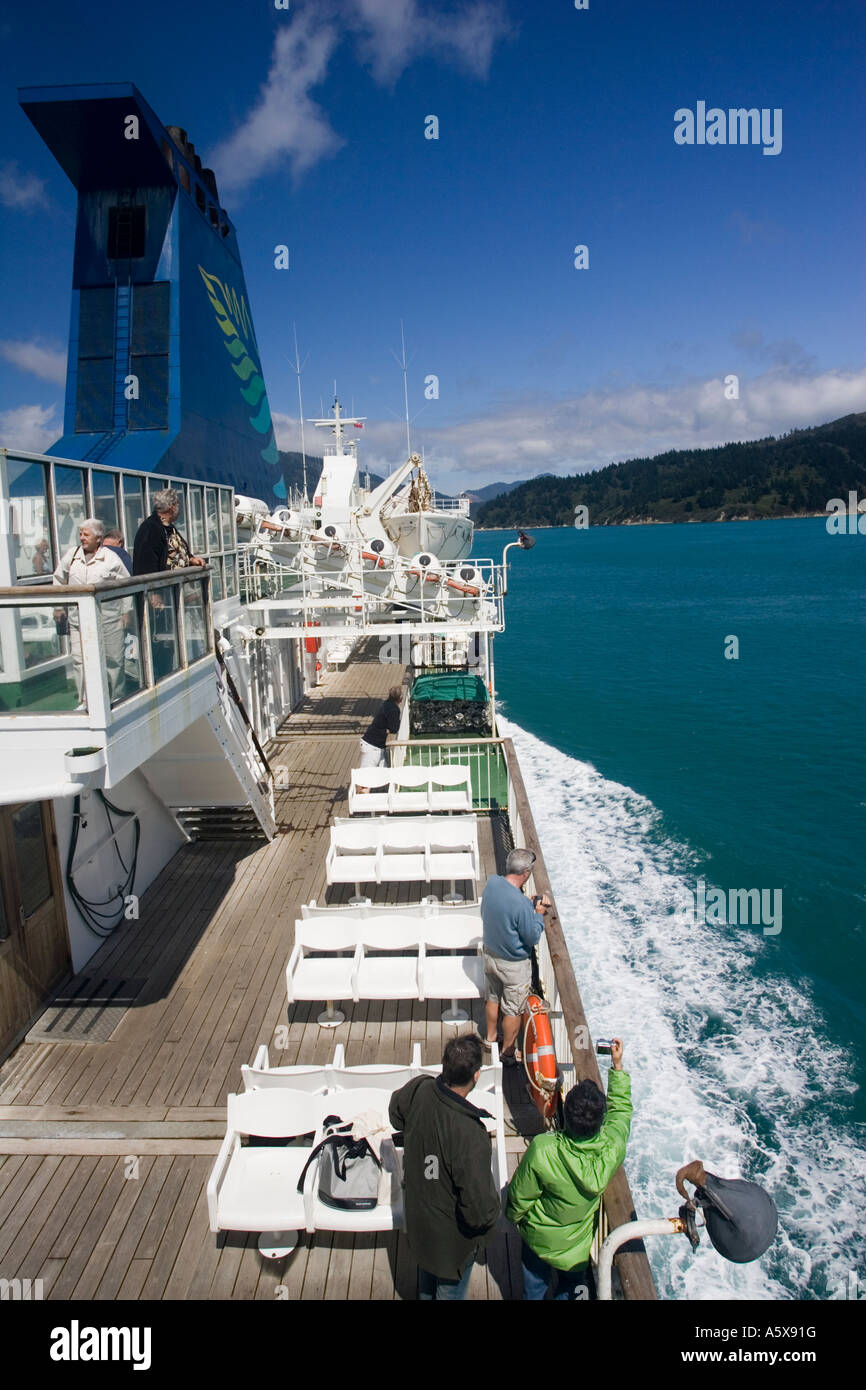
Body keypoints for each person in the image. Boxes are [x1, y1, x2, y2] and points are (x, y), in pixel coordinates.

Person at [506, 1038, 632, 1300]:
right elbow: (620, 1114)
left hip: (537, 1239)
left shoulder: (544, 1149)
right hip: (575, 1249)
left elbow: (518, 1198)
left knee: (534, 1289)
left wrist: (517, 1219)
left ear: (567, 1116)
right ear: (600, 1122)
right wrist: (617, 1066)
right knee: (569, 1290)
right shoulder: (611, 1149)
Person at [389, 1033, 501, 1300]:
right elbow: (480, 1211)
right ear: (476, 1076)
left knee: (426, 1283)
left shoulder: (419, 1089)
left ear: (444, 1066)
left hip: (418, 1222)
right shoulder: (472, 1134)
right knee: (447, 1292)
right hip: (451, 1245)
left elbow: (395, 1114)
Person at [480, 848, 551, 1064]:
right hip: (513, 965)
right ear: (526, 872)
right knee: (512, 1010)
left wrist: (527, 907)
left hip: (490, 955)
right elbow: (532, 937)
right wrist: (538, 914)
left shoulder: (492, 883)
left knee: (492, 998)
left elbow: (498, 910)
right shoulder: (520, 904)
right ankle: (508, 1053)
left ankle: (490, 1038)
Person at [53, 518, 130, 705]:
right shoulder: (72, 556)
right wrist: (57, 607)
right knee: (80, 660)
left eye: (86, 534)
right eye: (80, 534)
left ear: (98, 537)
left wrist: (126, 611)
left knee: (113, 660)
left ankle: (116, 697)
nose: (82, 538)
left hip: (108, 619)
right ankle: (85, 701)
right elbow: (58, 579)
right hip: (77, 620)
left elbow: (127, 585)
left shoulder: (111, 559)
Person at [132, 487, 205, 574]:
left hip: (178, 584)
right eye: (178, 504)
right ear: (172, 507)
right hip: (164, 585)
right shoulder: (151, 529)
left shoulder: (169, 527)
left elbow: (180, 551)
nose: (179, 508)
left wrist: (192, 559)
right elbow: (146, 566)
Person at [356, 685, 402, 792]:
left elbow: (389, 727)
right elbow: (394, 728)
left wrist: (387, 729)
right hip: (372, 747)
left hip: (374, 745)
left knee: (385, 774)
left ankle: (387, 797)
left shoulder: (386, 704)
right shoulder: (394, 709)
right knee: (365, 779)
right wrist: (389, 729)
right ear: (400, 699)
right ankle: (362, 802)